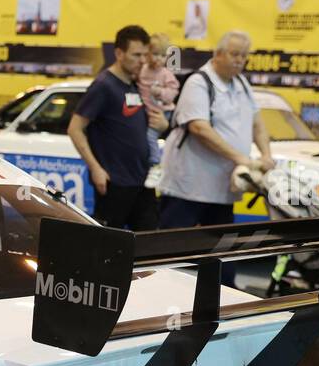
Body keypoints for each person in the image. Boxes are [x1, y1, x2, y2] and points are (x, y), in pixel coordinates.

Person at [157, 30, 273, 232]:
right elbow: (199, 128)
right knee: (173, 249)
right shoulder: (199, 82)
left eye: (244, 56)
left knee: (220, 252)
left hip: (223, 188)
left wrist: (266, 155)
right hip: (189, 188)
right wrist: (241, 158)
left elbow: (258, 124)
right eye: (234, 54)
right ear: (217, 53)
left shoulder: (242, 84)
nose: (239, 60)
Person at [66, 24, 167, 230]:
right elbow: (75, 128)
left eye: (144, 55)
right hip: (115, 181)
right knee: (109, 247)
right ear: (119, 53)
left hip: (141, 180)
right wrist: (96, 168)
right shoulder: (104, 85)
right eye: (136, 55)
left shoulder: (135, 84)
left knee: (148, 243)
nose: (142, 61)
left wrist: (163, 125)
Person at [138, 32, 179, 166]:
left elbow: (173, 91)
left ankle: (155, 162)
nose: (158, 59)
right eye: (155, 54)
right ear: (147, 53)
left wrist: (161, 92)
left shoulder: (166, 74)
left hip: (163, 112)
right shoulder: (142, 70)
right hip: (148, 111)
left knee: (150, 136)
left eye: (163, 56)